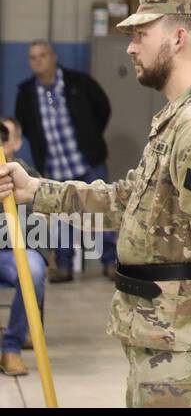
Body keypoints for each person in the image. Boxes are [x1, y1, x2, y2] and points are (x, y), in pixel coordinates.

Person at [0, 0, 191, 407]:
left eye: (141, 34)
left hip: (183, 343)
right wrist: (36, 190)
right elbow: (125, 200)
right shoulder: (176, 121)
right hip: (160, 334)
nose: (131, 48)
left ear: (178, 37)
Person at [14, 39, 115, 280]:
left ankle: (111, 262)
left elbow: (103, 109)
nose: (38, 61)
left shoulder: (78, 82)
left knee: (99, 211)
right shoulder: (26, 92)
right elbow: (26, 126)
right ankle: (63, 265)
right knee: (61, 217)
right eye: (33, 57)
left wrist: (90, 136)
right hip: (55, 166)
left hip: (87, 162)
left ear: (53, 57)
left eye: (42, 55)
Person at [0, 117, 47, 378]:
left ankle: (11, 347)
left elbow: (43, 225)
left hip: (13, 252)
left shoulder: (26, 174)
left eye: (4, 136)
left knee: (33, 269)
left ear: (16, 142)